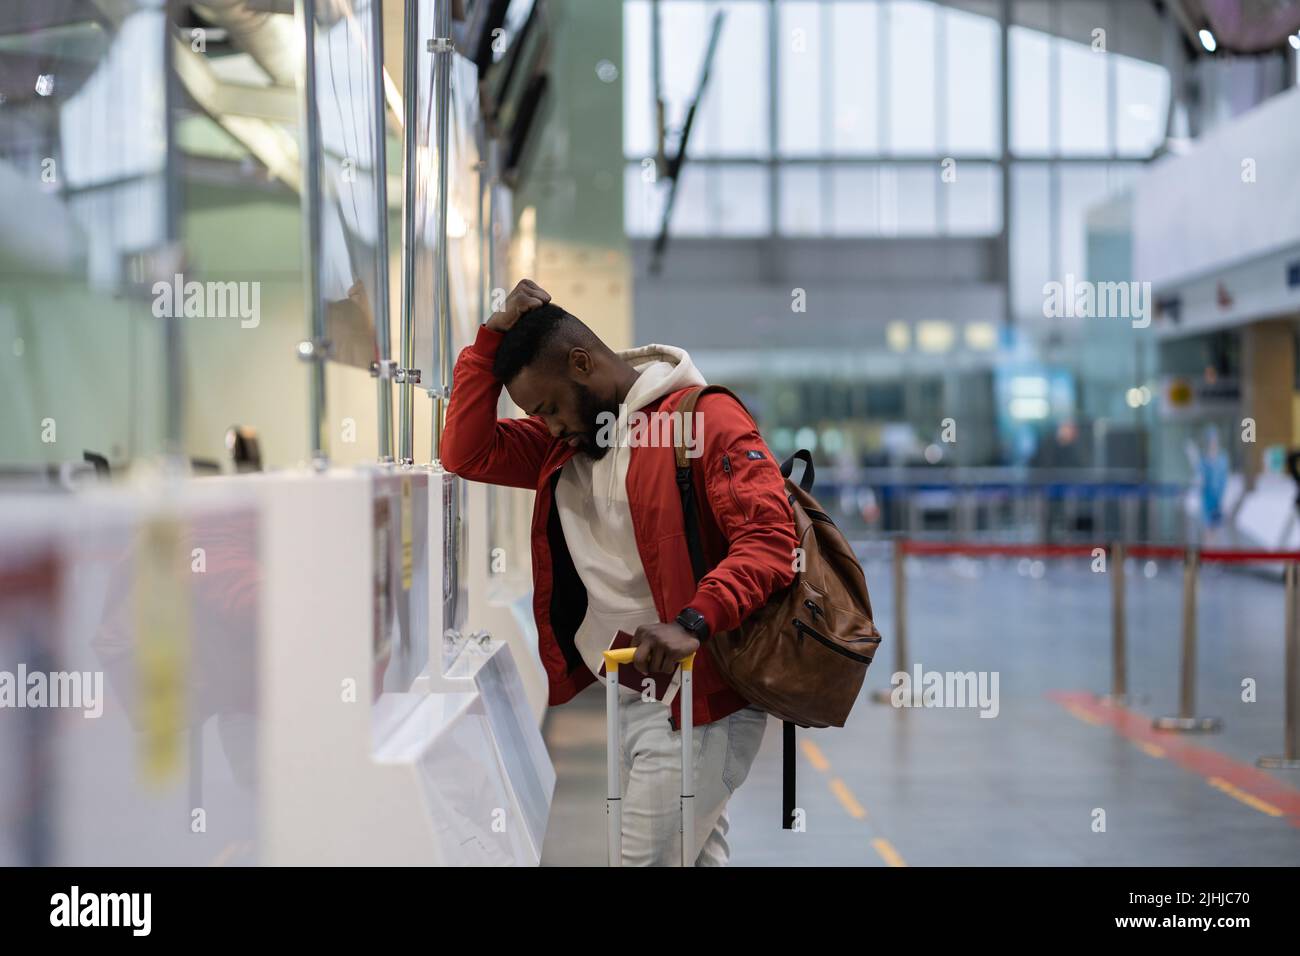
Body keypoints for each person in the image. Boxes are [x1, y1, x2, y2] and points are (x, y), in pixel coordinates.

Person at [441, 279, 798, 865]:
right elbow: (466, 452)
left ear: (580, 362)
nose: (548, 426)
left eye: (549, 407)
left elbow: (768, 540)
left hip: (699, 699)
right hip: (627, 691)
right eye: (536, 416)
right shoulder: (567, 444)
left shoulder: (703, 420)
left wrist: (695, 619)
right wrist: (490, 339)